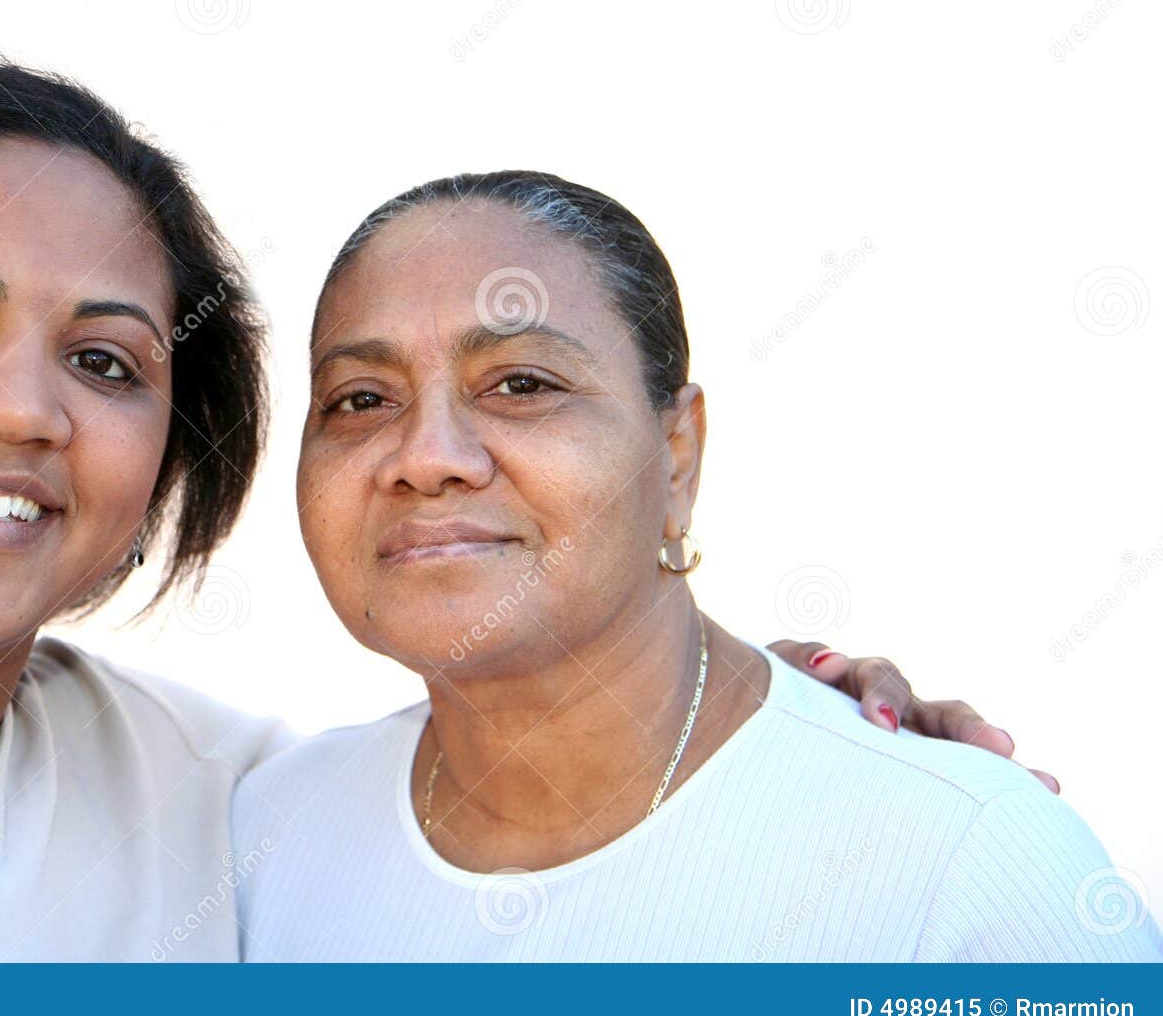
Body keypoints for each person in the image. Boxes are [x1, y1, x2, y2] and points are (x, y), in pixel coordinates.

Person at [0, 52, 1040, 961]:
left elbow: (546, 792)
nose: (20, 410)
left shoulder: (225, 802)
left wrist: (815, 734)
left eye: (104, 360)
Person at [231, 170, 1162, 961]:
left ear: (677, 455)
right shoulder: (266, 840)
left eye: (522, 384)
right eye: (360, 399)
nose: (426, 455)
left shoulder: (962, 859)